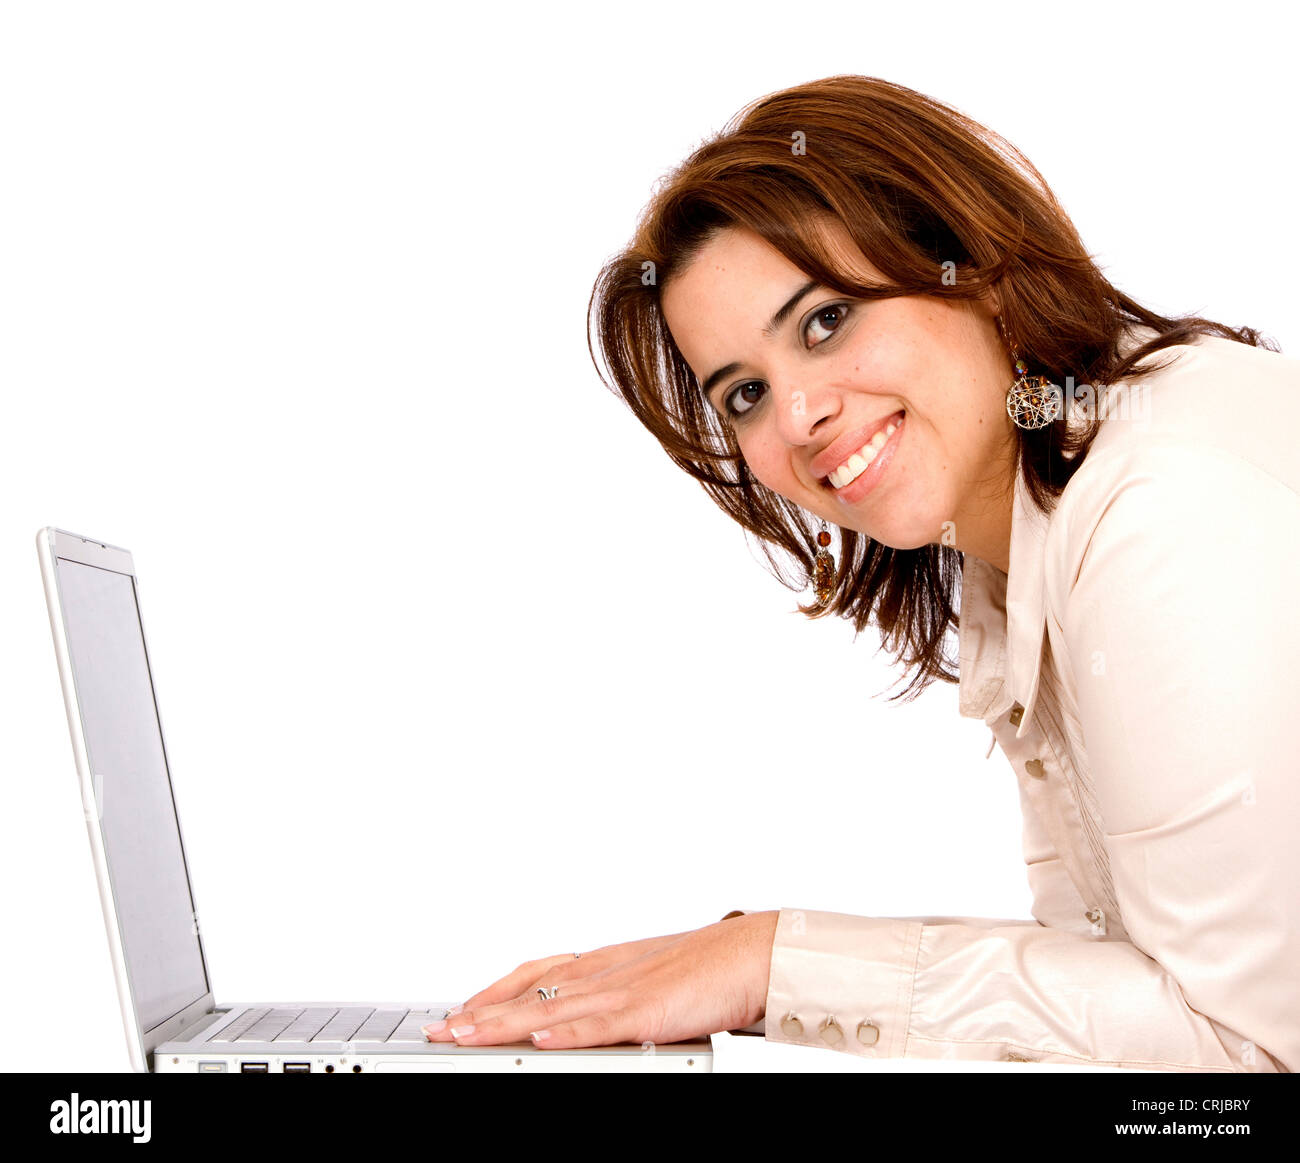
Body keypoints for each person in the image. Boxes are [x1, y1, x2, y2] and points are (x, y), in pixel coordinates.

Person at [422, 75, 1299, 1071]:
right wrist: (764, 963)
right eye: (745, 392)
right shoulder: (1029, 532)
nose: (795, 418)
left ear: (971, 260)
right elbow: (1124, 989)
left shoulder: (1160, 510)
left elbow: (1248, 1054)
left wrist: (776, 965)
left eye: (825, 321)